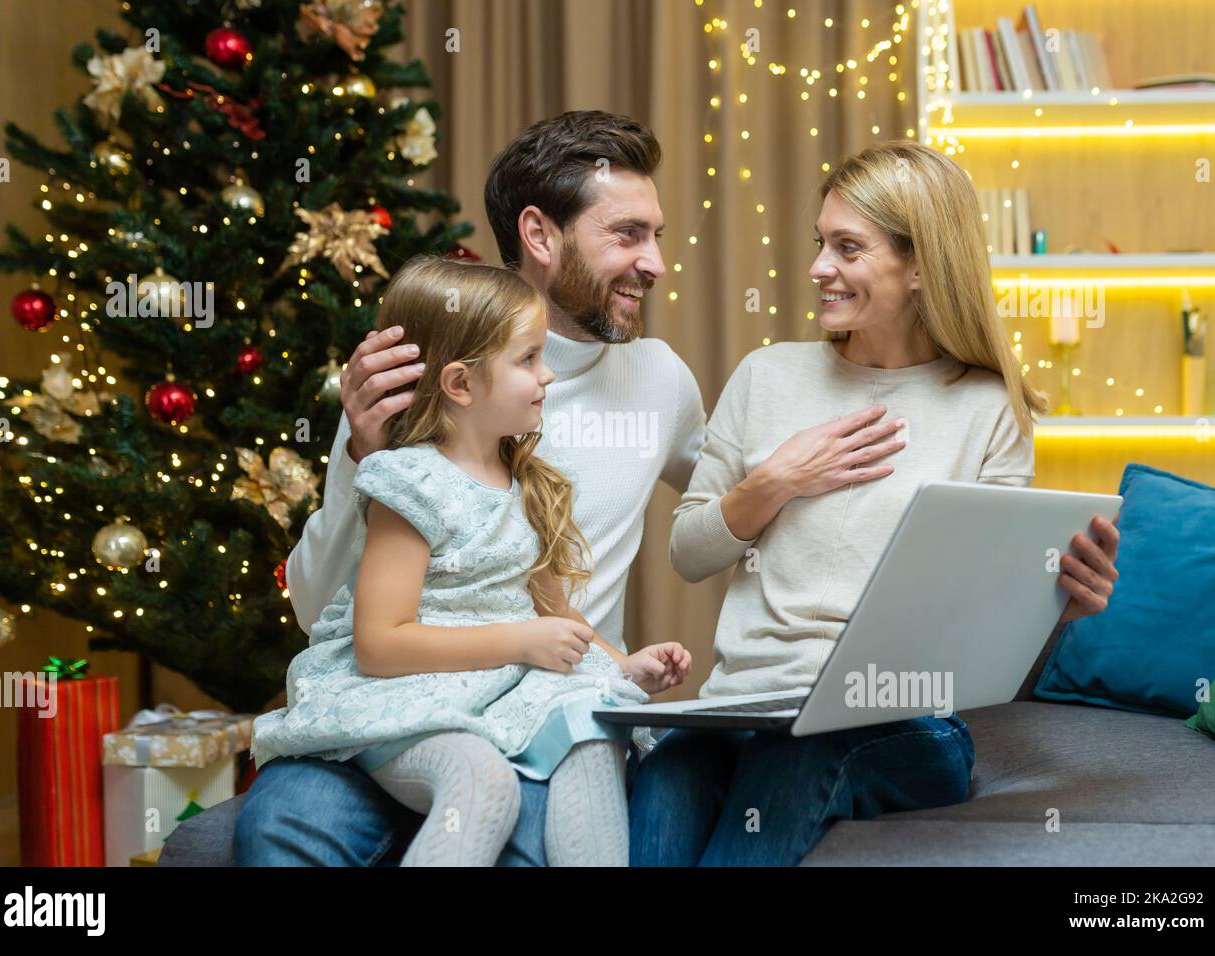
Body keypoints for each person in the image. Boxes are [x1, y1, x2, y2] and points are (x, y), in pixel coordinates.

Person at [628, 140, 1122, 866]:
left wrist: (1052, 607)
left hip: (904, 718)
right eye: (821, 243)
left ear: (920, 264)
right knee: (671, 770)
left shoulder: (988, 409)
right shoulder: (767, 377)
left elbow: (985, 631)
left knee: (798, 758)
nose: (818, 268)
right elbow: (688, 553)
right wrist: (776, 481)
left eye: (847, 247)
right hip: (745, 703)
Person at [235, 111, 706, 866]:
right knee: (281, 827)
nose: (654, 263)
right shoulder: (408, 382)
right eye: (628, 234)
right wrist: (358, 454)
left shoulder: (658, 379)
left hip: (535, 699)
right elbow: (321, 608)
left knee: (541, 835)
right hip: (397, 704)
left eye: (656, 235)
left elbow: (717, 511)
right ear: (541, 236)